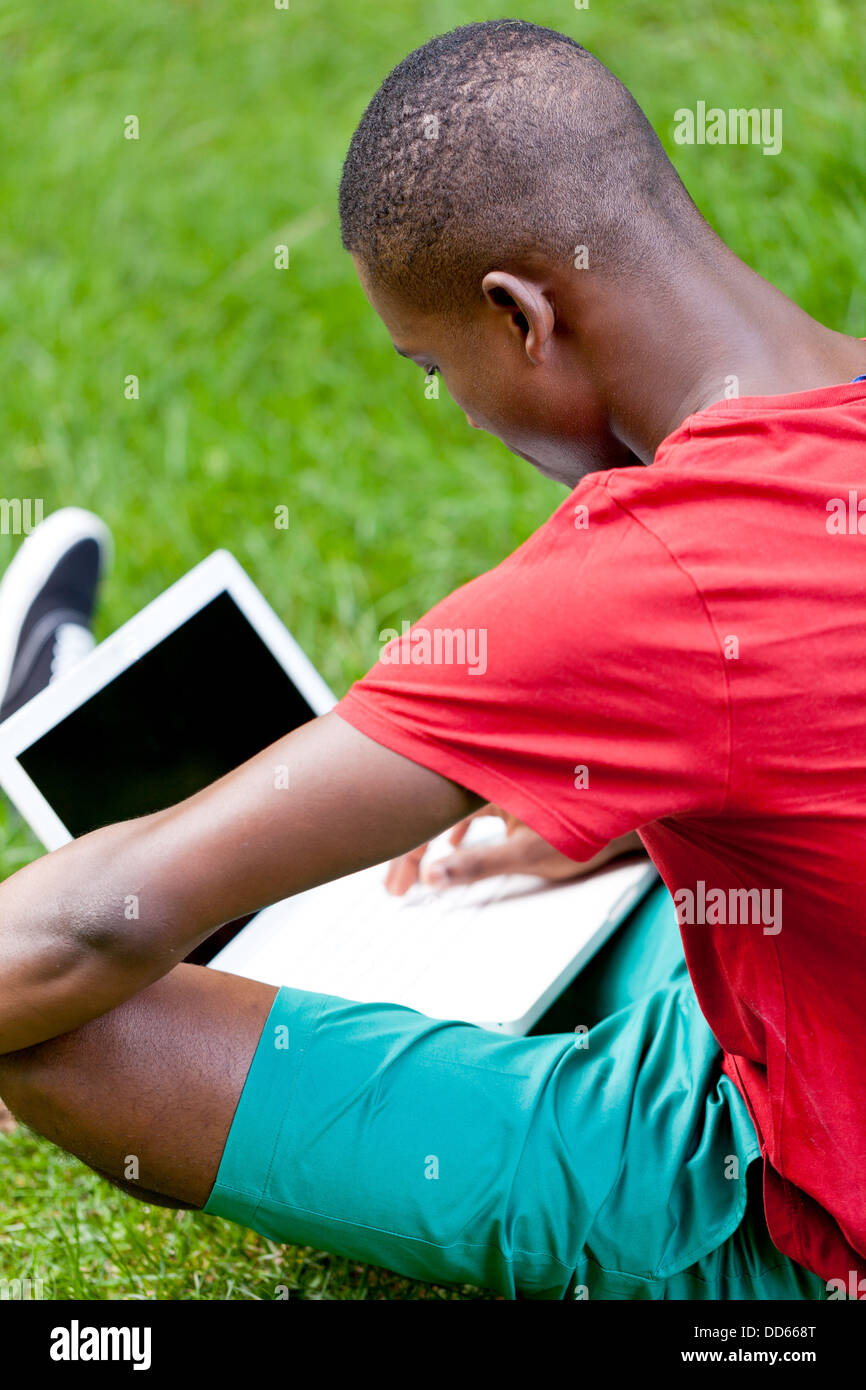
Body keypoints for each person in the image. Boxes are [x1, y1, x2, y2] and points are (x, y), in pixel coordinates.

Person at [2, 19, 866, 1301]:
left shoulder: (656, 578)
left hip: (801, 1209)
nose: (459, 412)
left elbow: (89, 928)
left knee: (61, 1031)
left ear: (518, 314)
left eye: (432, 368)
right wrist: (632, 822)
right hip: (803, 983)